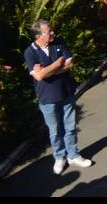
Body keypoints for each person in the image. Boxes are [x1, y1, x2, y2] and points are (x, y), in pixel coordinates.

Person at [25, 20, 92, 175]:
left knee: (70, 126)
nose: (53, 33)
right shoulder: (30, 52)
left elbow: (70, 64)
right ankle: (60, 157)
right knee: (54, 130)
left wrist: (47, 71)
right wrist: (56, 64)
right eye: (49, 32)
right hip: (47, 98)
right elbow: (39, 76)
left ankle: (73, 155)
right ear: (38, 36)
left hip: (66, 92)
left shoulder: (59, 42)